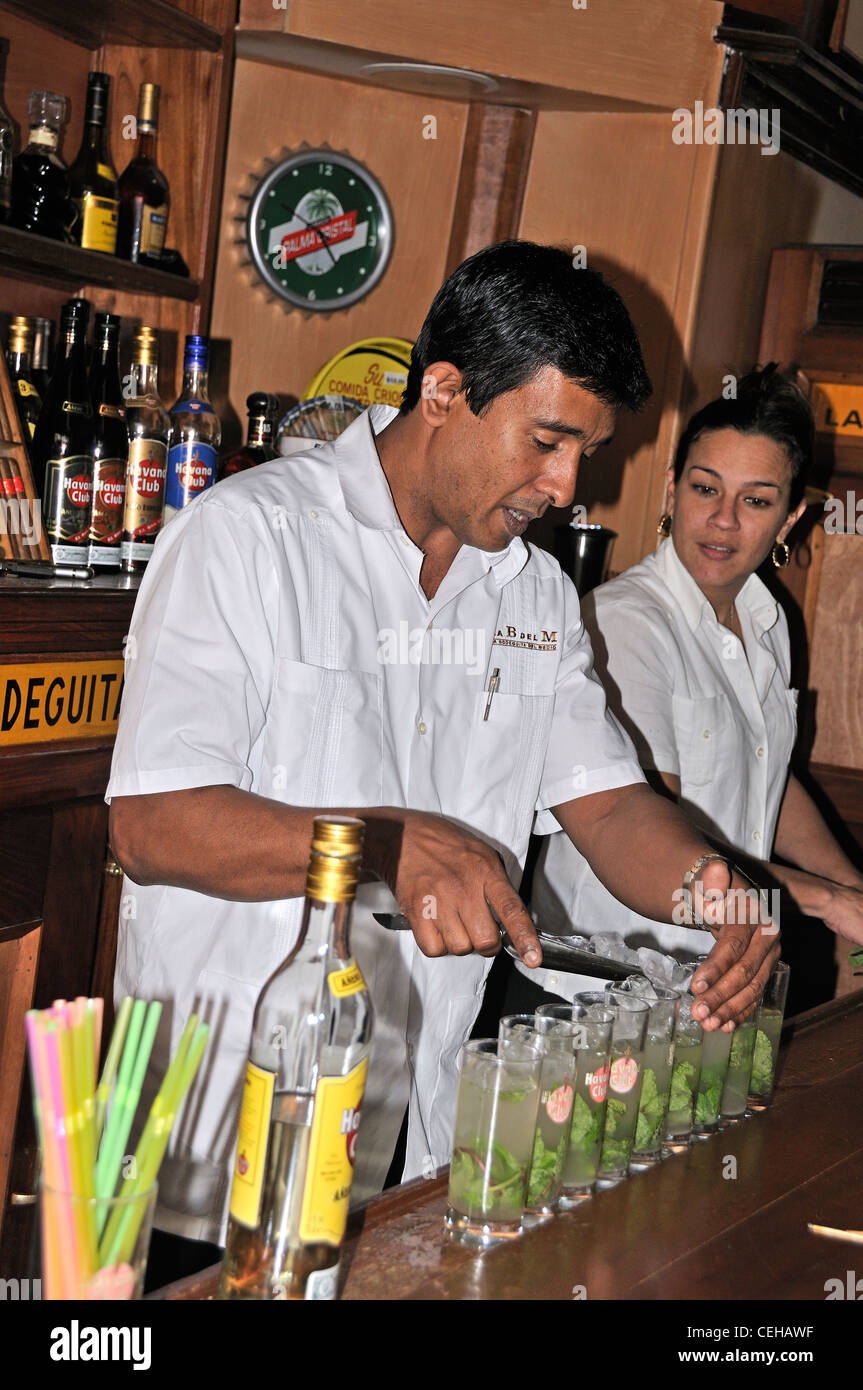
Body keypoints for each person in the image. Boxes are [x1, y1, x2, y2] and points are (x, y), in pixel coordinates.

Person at [107, 242, 778, 1262]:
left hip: (411, 1130)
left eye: (586, 451)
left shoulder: (533, 592)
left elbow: (605, 804)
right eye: (545, 441)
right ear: (443, 391)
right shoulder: (245, 537)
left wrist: (713, 890)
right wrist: (382, 843)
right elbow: (151, 825)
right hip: (221, 1126)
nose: (565, 484)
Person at [524, 365, 863, 1005]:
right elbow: (653, 818)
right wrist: (824, 901)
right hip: (601, 990)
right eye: (706, 488)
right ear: (672, 489)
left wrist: (851, 887)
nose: (723, 520)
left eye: (756, 501)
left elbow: (766, 772)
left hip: (714, 979)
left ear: (789, 518)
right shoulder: (626, 622)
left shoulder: (767, 621)